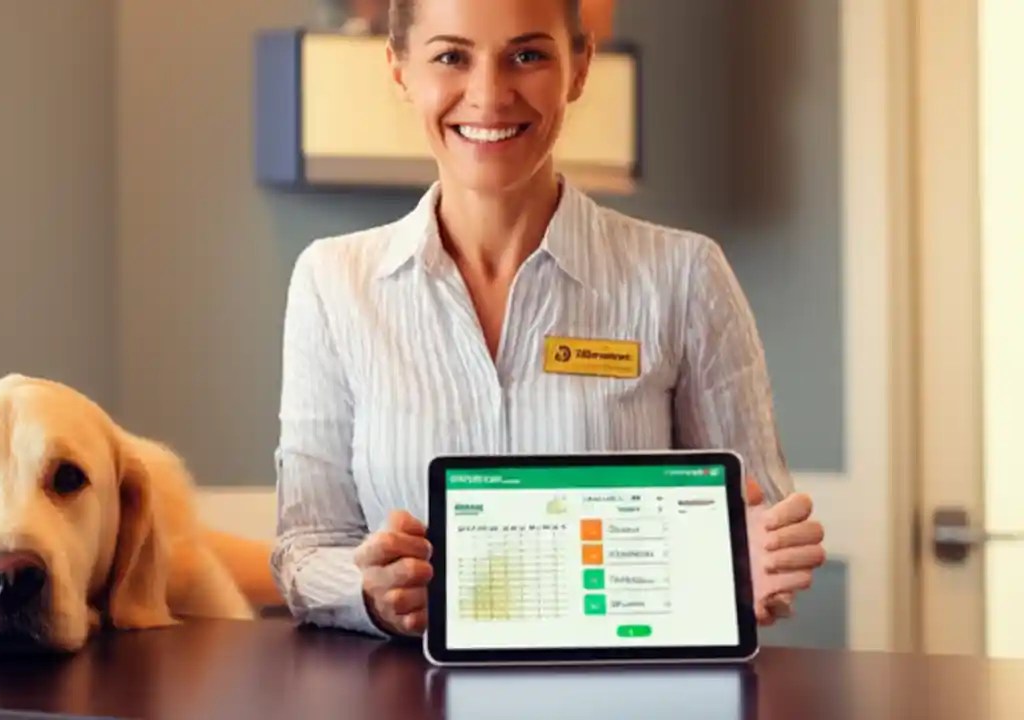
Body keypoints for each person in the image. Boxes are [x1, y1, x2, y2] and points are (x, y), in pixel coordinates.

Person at [270, 0, 826, 638]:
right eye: (451, 57)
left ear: (580, 67)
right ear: (399, 70)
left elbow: (756, 528)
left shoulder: (685, 275)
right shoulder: (333, 282)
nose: (489, 95)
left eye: (527, 56)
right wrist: (368, 592)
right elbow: (303, 551)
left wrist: (752, 566)